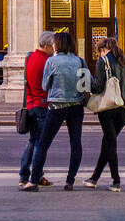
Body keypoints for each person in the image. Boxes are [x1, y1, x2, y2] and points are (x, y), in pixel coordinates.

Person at [23, 32, 88, 191]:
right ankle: (70, 181)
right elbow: (86, 85)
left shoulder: (52, 61)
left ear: (57, 44)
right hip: (76, 106)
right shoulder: (80, 61)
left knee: (43, 143)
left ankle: (33, 181)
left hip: (57, 106)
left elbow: (45, 85)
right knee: (75, 143)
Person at [85, 37, 125, 192]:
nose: (99, 55)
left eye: (99, 51)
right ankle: (94, 178)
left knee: (110, 144)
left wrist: (88, 82)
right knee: (107, 143)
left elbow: (99, 87)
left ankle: (116, 181)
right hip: (124, 107)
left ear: (103, 49)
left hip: (108, 107)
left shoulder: (103, 62)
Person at [18, 31, 56, 189]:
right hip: (42, 105)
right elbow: (49, 84)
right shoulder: (47, 61)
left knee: (33, 141)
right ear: (46, 45)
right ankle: (35, 176)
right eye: (53, 45)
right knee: (40, 144)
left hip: (31, 104)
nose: (55, 48)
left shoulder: (31, 57)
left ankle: (25, 175)